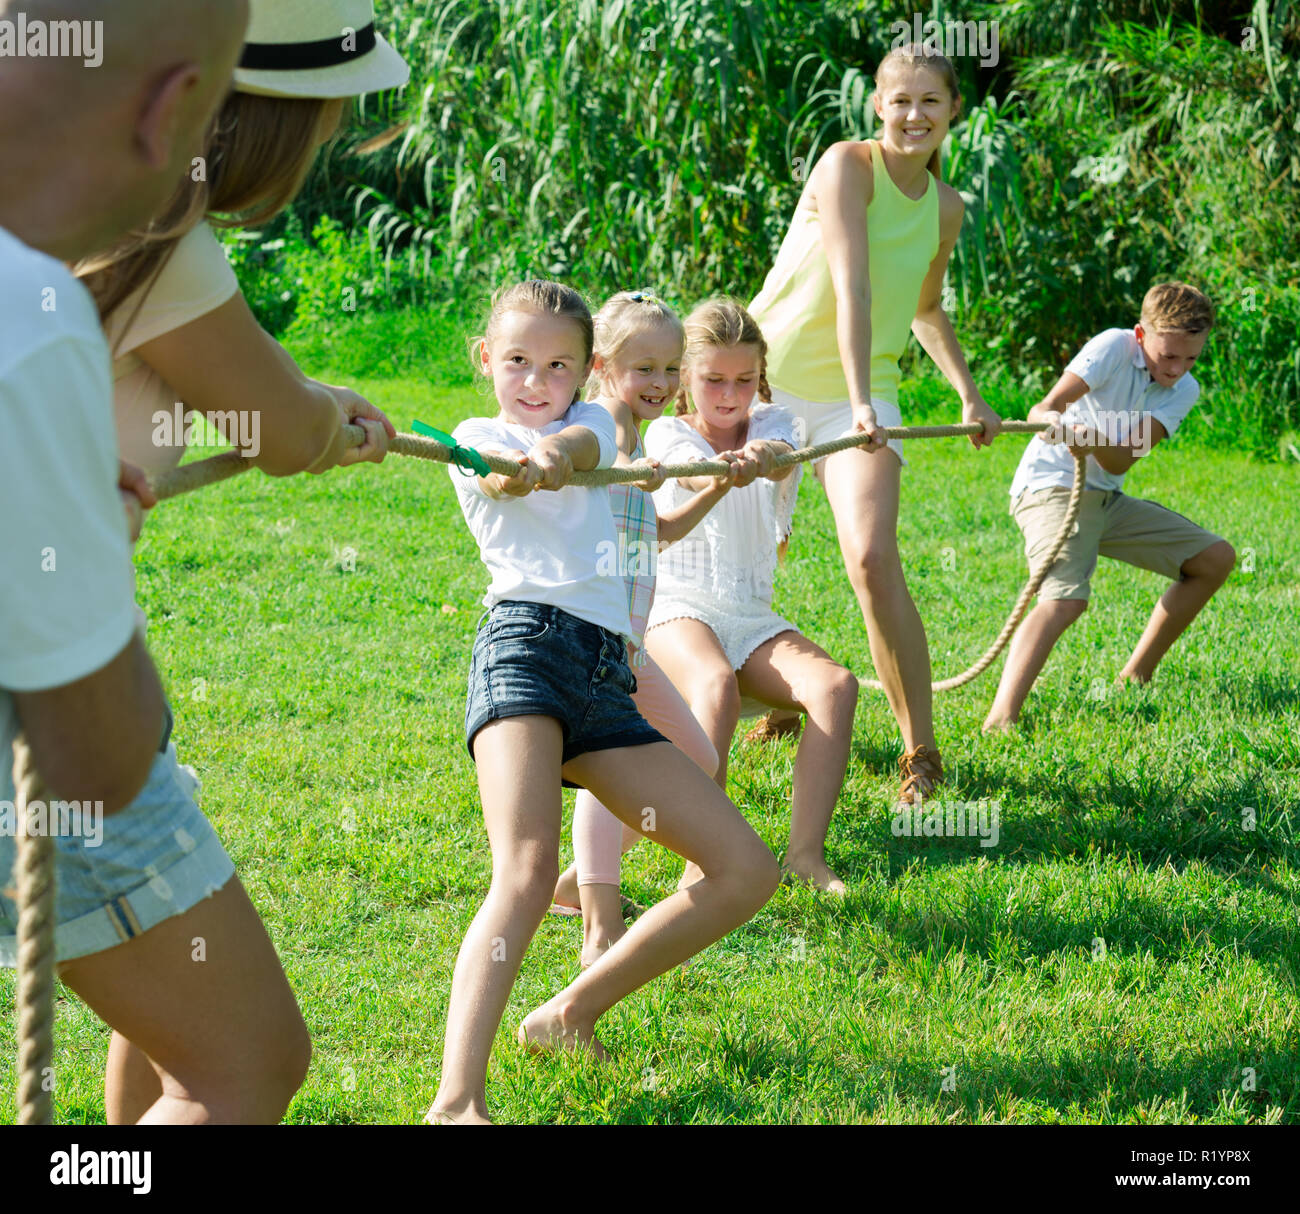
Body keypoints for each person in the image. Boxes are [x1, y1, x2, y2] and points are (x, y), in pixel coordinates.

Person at [69, 0, 409, 1122]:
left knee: (184, 1038)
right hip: (53, 709)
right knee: (242, 1066)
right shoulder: (159, 227)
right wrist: (324, 422)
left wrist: (300, 402)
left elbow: (222, 382)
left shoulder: (59, 190)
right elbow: (274, 429)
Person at [0, 0, 314, 1125]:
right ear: (173, 105)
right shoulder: (35, 315)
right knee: (242, 1065)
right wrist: (75, 542)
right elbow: (98, 755)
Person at [430, 280, 780, 1125]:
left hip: (605, 673)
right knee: (520, 871)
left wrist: (562, 456)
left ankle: (567, 1013)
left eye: (557, 364)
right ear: (487, 360)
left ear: (586, 371)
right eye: (516, 360)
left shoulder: (592, 425)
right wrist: (526, 465)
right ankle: (456, 1103)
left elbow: (579, 450)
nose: (535, 380)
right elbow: (513, 479)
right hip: (523, 650)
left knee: (745, 871)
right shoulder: (477, 439)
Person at [747, 44, 1001, 807]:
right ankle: (783, 696)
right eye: (900, 100)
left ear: (955, 109)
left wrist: (969, 394)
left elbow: (921, 309)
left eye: (931, 101)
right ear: (877, 106)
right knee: (747, 557)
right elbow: (851, 287)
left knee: (870, 557)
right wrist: (860, 401)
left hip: (865, 388)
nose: (914, 115)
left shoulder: (947, 208)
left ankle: (919, 750)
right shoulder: (844, 167)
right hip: (768, 380)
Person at [548, 290, 740, 966]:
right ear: (603, 364)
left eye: (669, 369)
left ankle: (577, 883)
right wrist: (623, 471)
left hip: (631, 638)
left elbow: (652, 533)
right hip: (597, 639)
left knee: (698, 758)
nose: (660, 384)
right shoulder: (598, 423)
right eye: (644, 370)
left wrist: (713, 486)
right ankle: (599, 922)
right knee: (620, 767)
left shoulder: (633, 436)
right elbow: (575, 472)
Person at [644, 299, 859, 894]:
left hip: (748, 615)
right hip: (677, 610)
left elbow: (781, 449)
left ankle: (804, 855)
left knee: (836, 686)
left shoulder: (775, 423)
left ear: (760, 377)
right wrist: (718, 469)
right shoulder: (667, 431)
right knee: (713, 686)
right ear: (687, 377)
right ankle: (703, 861)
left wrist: (766, 458)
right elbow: (686, 470)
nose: (728, 396)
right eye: (713, 379)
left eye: (743, 380)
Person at [982, 282, 1236, 729]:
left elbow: (1121, 457)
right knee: (1065, 600)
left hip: (1105, 497)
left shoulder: (1184, 390)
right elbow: (1045, 407)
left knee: (1214, 559)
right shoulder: (1112, 347)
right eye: (1168, 357)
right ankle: (1001, 718)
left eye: (1191, 358)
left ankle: (1134, 677)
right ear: (1141, 336)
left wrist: (1092, 439)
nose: (1177, 369)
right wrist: (1056, 425)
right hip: (1051, 486)